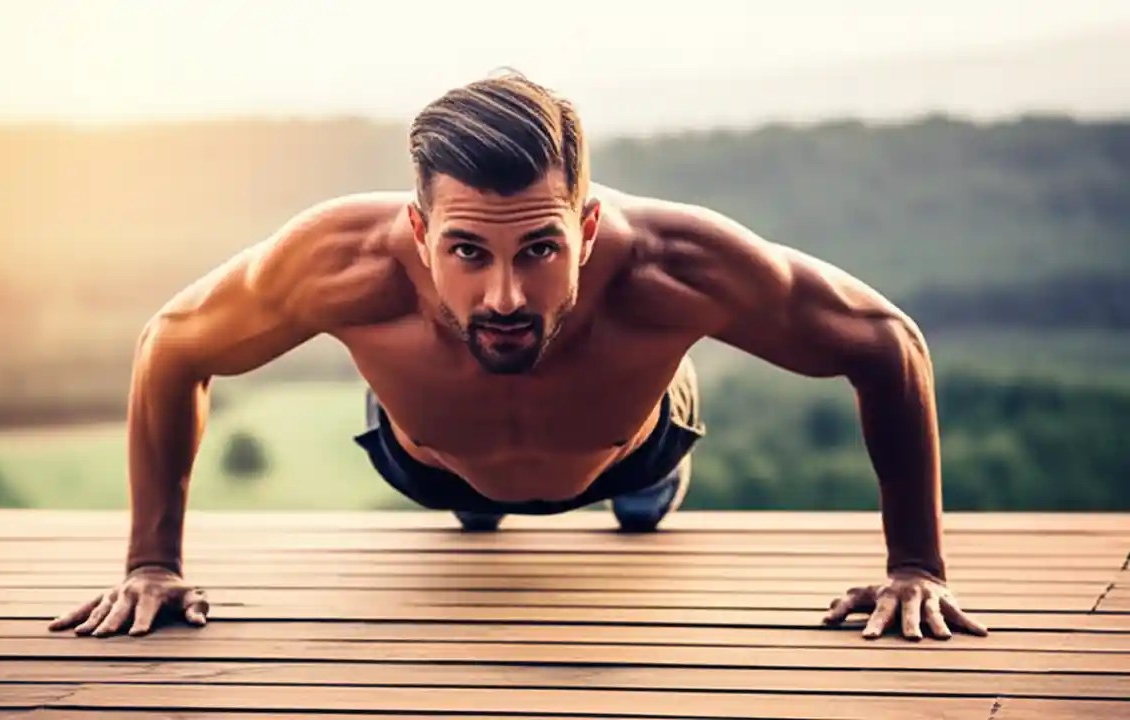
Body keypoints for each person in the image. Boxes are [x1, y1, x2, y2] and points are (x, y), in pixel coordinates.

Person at [49, 71, 988, 643]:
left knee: (639, 485)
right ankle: (478, 495)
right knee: (466, 460)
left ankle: (647, 470)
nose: (504, 295)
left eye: (539, 249)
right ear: (419, 231)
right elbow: (173, 346)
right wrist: (152, 563)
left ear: (585, 226)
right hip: (432, 459)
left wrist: (917, 564)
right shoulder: (339, 264)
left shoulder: (672, 266)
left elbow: (885, 342)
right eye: (468, 251)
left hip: (632, 448)